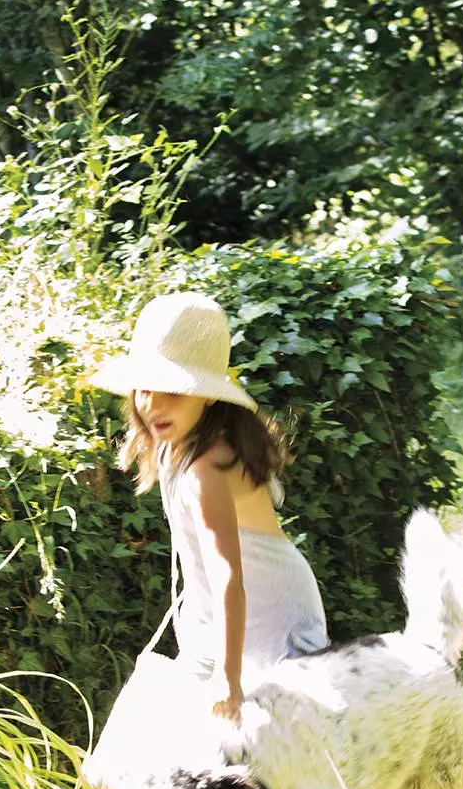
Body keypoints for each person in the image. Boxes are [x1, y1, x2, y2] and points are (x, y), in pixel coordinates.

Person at [90, 290, 328, 725]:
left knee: (263, 753)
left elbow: (228, 579)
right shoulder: (170, 445)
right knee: (141, 754)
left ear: (208, 396)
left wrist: (228, 677)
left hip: (272, 615)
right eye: (144, 389)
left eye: (173, 392)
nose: (153, 405)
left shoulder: (207, 471)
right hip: (215, 621)